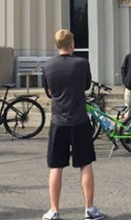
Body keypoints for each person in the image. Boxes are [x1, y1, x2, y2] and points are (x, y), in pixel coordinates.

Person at [41, 29, 106, 220]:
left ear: (56, 45)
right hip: (79, 120)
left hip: (58, 120)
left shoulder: (48, 65)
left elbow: (49, 91)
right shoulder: (81, 63)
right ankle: (89, 209)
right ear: (71, 45)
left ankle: (53, 210)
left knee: (56, 166)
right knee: (85, 165)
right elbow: (86, 85)